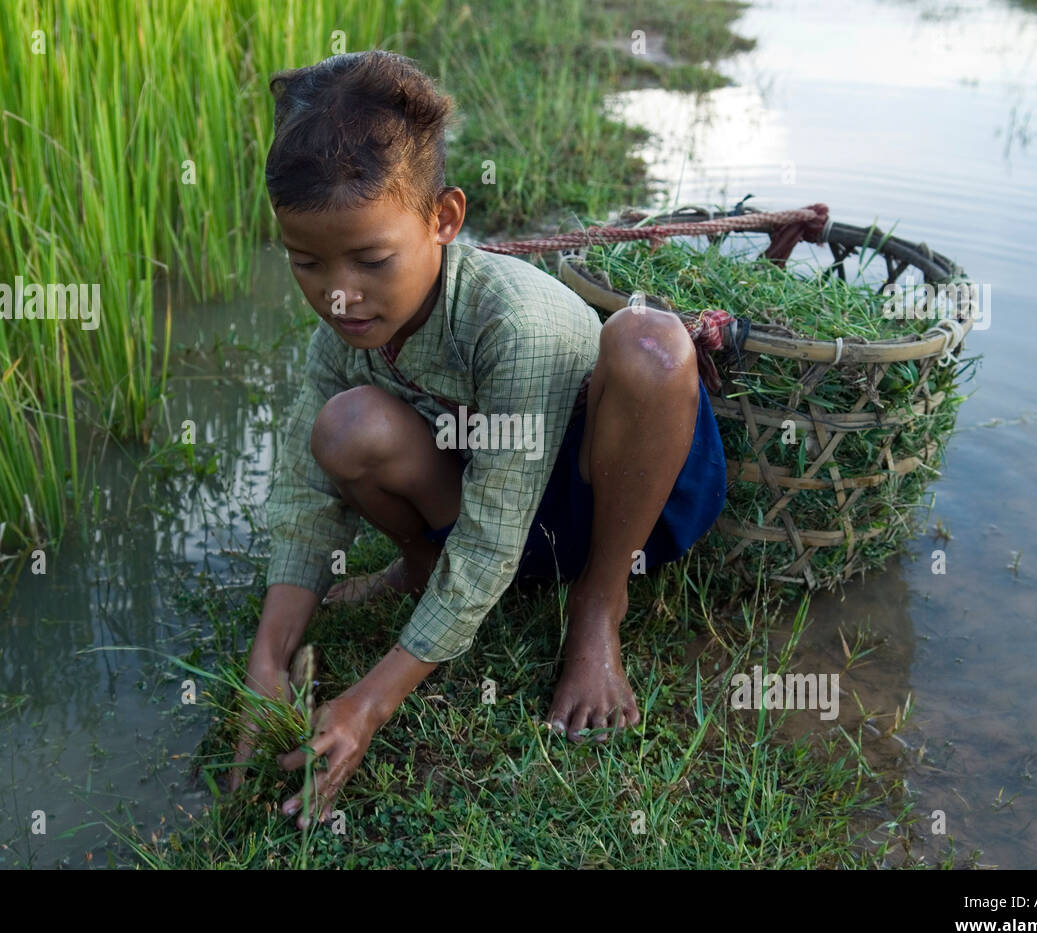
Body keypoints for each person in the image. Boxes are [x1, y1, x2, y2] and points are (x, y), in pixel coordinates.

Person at [229, 50, 727, 828]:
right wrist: (267, 660)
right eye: (306, 261)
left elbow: (495, 534)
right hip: (498, 499)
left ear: (444, 219)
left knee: (650, 343)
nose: (339, 294)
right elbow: (303, 489)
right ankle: (424, 569)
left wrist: (370, 703)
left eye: (372, 260)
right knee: (344, 425)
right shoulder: (341, 330)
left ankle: (599, 604)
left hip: (603, 498)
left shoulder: (511, 322)